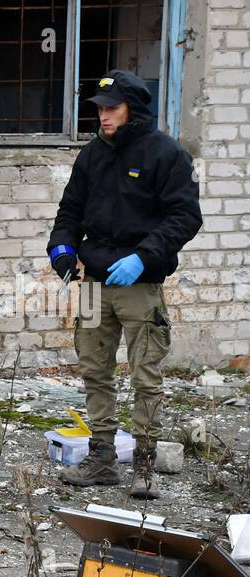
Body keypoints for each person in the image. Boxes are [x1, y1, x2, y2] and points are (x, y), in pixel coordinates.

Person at [49, 69, 202, 499]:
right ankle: (101, 458)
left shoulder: (167, 155)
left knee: (145, 374)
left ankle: (145, 466)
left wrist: (143, 256)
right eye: (99, 109)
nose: (103, 117)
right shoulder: (93, 155)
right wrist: (61, 247)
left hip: (139, 284)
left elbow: (186, 217)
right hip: (96, 282)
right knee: (95, 369)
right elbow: (69, 212)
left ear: (134, 109)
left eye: (112, 108)